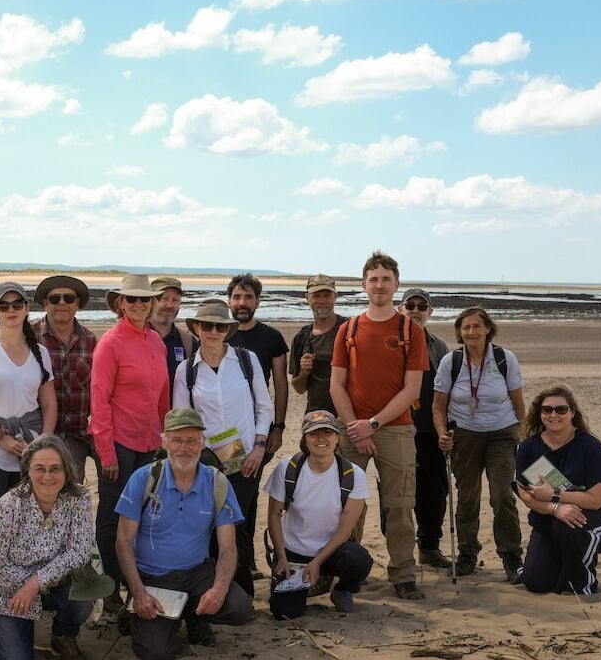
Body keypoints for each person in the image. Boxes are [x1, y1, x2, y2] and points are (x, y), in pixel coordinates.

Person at [115, 409, 255, 660]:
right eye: (177, 440)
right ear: (164, 441)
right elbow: (123, 541)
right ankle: (136, 611)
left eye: (191, 441)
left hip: (196, 573)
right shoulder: (144, 479)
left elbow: (228, 548)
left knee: (240, 609)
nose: (184, 448)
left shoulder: (217, 482)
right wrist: (138, 591)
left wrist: (219, 590)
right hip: (153, 576)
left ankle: (194, 615)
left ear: (202, 443)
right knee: (156, 653)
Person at [330, 251, 429, 600]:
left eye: (386, 279)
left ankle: (403, 574)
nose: (380, 285)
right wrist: (355, 426)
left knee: (400, 504)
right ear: (363, 285)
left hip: (396, 429)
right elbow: (336, 385)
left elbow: (412, 389)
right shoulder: (348, 329)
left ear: (396, 284)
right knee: (347, 505)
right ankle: (347, 570)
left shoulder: (410, 331)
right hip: (350, 428)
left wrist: (373, 423)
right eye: (374, 279)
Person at [171, 299, 271, 598]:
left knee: (235, 524)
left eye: (219, 326)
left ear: (227, 330)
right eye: (206, 325)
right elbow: (182, 420)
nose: (212, 332)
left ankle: (242, 593)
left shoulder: (246, 360)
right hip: (206, 461)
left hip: (246, 457)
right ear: (196, 328)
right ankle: (212, 590)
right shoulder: (185, 370)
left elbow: (264, 407)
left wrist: (259, 448)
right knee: (208, 524)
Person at [0, 435, 96, 660]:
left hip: (49, 584)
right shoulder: (9, 504)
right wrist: (28, 586)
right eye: (39, 469)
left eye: (55, 469)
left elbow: (80, 550)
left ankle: (63, 635)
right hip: (7, 589)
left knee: (85, 594)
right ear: (28, 471)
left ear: (66, 470)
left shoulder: (79, 498)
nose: (47, 476)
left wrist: (36, 583)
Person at [0, 282, 56, 581]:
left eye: (17, 304)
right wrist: (0, 438)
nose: (11, 310)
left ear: (27, 309)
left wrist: (42, 445)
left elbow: (49, 404)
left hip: (30, 452)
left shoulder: (40, 352)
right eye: (3, 305)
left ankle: (20, 588)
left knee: (26, 526)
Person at [91, 274, 170, 609]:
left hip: (150, 443)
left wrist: (164, 438)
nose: (139, 305)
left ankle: (133, 581)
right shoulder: (110, 343)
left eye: (145, 300)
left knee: (142, 516)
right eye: (132, 299)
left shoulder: (157, 342)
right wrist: (106, 453)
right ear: (120, 304)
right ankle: (109, 589)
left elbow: (162, 397)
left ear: (152, 304)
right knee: (112, 516)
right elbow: (99, 401)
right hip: (118, 445)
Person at [435, 306, 527, 582]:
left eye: (477, 326)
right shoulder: (451, 362)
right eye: (466, 328)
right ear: (460, 333)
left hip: (501, 433)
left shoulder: (504, 359)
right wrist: (442, 433)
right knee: (467, 497)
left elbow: (518, 402)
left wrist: (522, 435)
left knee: (503, 495)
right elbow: (438, 406)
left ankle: (511, 556)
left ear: (488, 329)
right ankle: (467, 554)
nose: (471, 332)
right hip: (464, 434)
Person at [514, 386, 601, 595]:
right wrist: (554, 508)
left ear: (572, 412)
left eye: (561, 410)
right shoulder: (529, 447)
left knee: (567, 527)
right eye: (547, 410)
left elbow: (597, 500)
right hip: (550, 518)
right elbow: (526, 495)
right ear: (539, 413)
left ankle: (582, 583)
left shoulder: (590, 446)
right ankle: (560, 564)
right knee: (535, 582)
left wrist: (555, 495)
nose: (553, 415)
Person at [265, 411, 373, 613]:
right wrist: (281, 557)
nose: (321, 439)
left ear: (337, 438)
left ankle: (341, 589)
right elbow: (273, 515)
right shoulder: (287, 468)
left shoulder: (353, 474)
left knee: (358, 559)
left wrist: (317, 561)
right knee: (284, 613)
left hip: (331, 551)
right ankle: (309, 584)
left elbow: (346, 527)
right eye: (314, 434)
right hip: (292, 552)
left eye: (327, 433)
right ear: (305, 440)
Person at [398, 288, 452, 570]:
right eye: (410, 305)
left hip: (430, 431)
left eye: (422, 306)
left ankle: (429, 547)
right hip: (395, 429)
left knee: (434, 492)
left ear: (430, 312)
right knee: (397, 494)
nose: (416, 310)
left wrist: (448, 427)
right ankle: (401, 552)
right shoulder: (390, 341)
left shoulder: (439, 346)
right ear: (400, 308)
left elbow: (447, 391)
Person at [31, 275, 97, 482]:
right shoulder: (28, 336)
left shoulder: (90, 340)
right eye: (55, 298)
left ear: (77, 304)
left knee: (71, 498)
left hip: (76, 437)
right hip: (36, 433)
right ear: (44, 303)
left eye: (68, 298)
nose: (61, 303)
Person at [226, 273, 289, 456]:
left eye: (248, 297)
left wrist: (278, 428)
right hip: (223, 424)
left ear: (258, 302)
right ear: (229, 301)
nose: (242, 303)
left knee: (250, 478)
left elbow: (281, 386)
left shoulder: (272, 337)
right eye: (236, 297)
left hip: (259, 424)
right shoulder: (217, 335)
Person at [289, 274, 347, 415]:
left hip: (349, 416)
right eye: (316, 296)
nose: (322, 301)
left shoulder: (350, 329)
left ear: (335, 297)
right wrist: (304, 372)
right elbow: (299, 388)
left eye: (326, 295)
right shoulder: (301, 338)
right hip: (317, 416)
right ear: (307, 298)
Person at [149, 276, 195, 392]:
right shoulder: (134, 338)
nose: (170, 305)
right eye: (164, 299)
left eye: (175, 300)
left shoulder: (188, 342)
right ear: (151, 301)